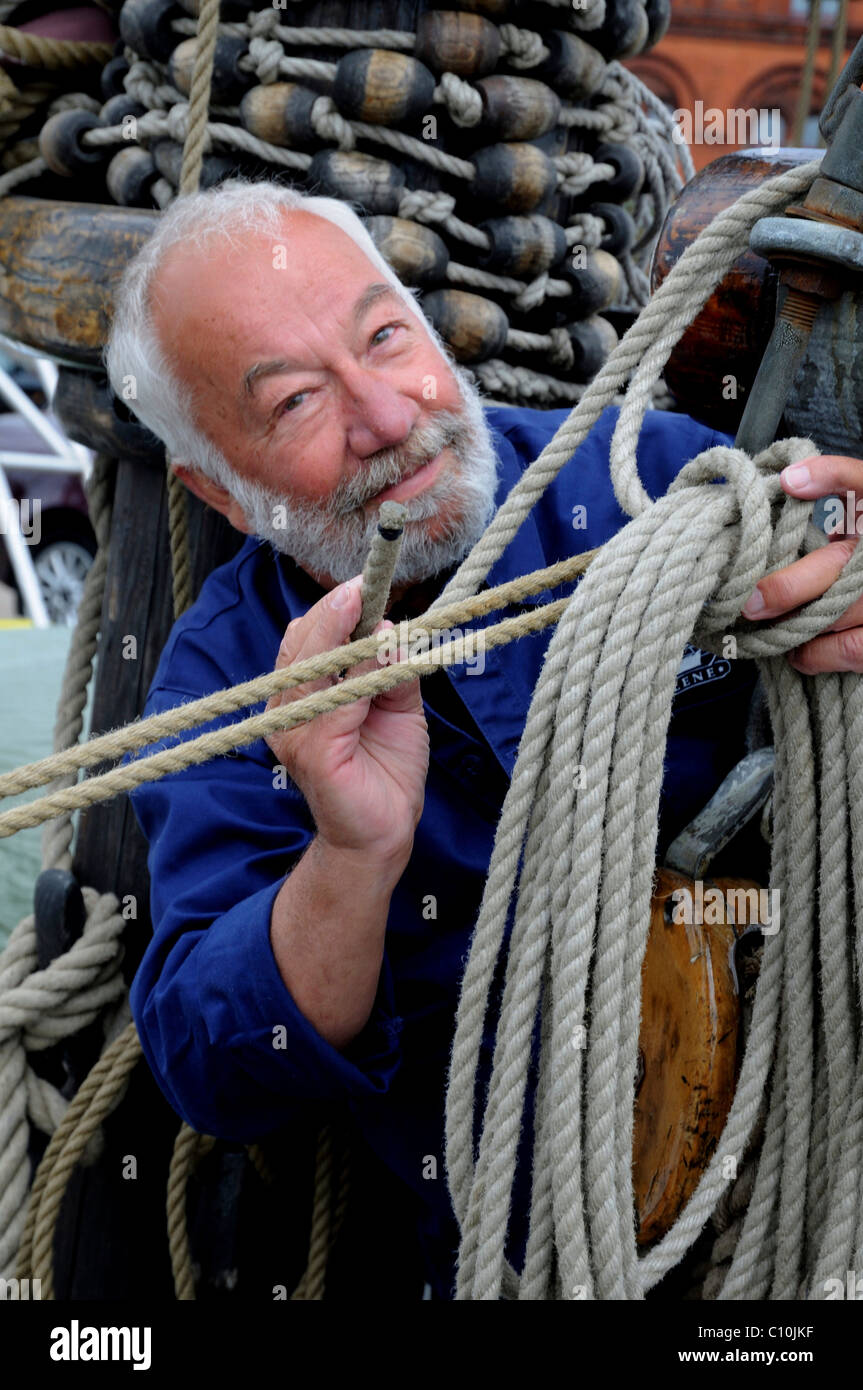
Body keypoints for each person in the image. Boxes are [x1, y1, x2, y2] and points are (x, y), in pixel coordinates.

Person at [106, 178, 863, 1298]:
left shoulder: (656, 485)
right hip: (525, 1261)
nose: (387, 416)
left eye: (382, 336)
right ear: (215, 488)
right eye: (294, 404)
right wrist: (349, 857)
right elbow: (218, 1068)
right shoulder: (225, 686)